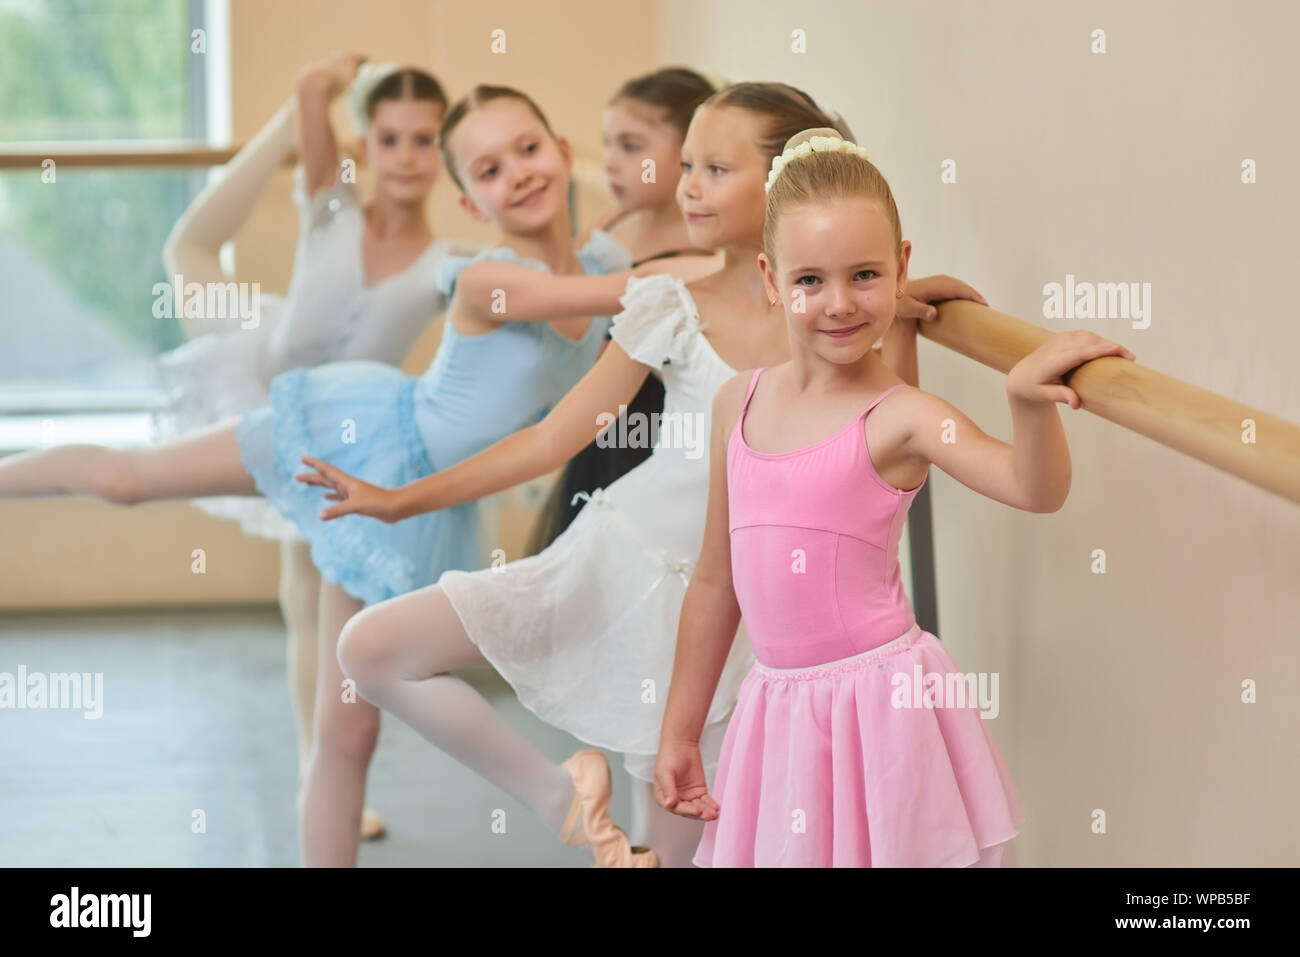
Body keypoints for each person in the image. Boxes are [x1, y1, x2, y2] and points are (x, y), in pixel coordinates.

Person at [654, 128, 1135, 867]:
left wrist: (1026, 401)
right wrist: (681, 730)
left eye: (867, 276)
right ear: (771, 277)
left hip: (879, 715)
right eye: (811, 280)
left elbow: (1032, 488)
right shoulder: (735, 403)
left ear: (900, 266)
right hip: (776, 714)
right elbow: (717, 580)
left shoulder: (903, 416)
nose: (841, 304)